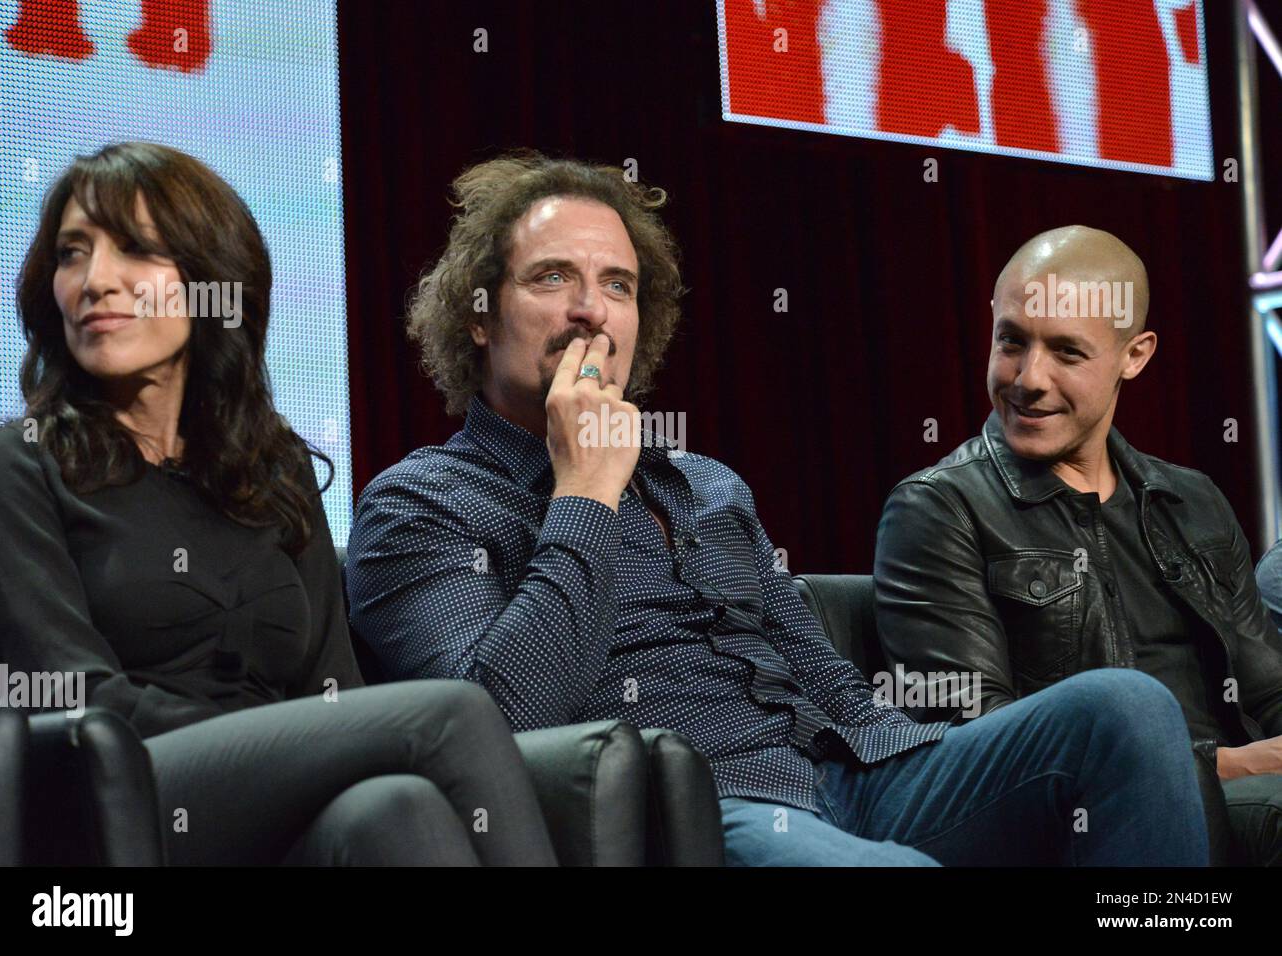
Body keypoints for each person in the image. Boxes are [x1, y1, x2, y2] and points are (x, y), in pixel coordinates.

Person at [347, 152, 1208, 866]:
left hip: (847, 778)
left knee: (1124, 710)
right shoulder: (420, 505)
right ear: (476, 316)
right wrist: (583, 494)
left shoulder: (708, 484)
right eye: (552, 278)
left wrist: (918, 756)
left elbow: (815, 667)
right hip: (690, 810)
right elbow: (489, 733)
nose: (591, 310)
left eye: (618, 284)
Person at [0, 142, 556, 866]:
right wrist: (286, 741)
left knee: (396, 809)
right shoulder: (11, 467)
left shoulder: (271, 474)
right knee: (451, 715)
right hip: (113, 796)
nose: (96, 280)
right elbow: (70, 696)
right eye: (72, 253)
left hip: (263, 801)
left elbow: (335, 689)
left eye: (135, 250)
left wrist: (299, 746)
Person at [875, 225, 1282, 866]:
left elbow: (1267, 689)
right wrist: (1224, 765)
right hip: (1098, 812)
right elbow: (982, 749)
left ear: (1135, 355)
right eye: (1012, 341)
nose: (1028, 378)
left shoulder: (1192, 499)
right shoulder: (937, 507)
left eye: (1066, 352)